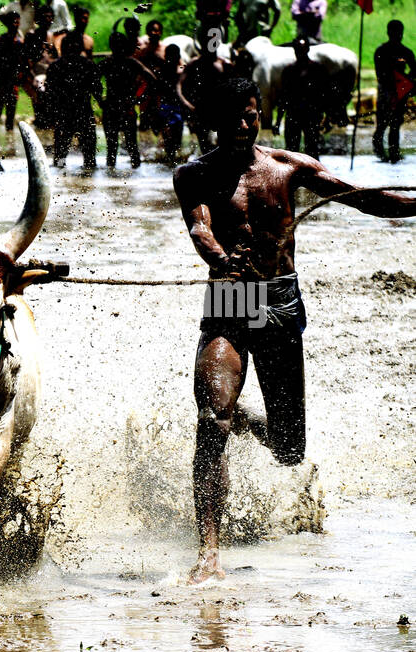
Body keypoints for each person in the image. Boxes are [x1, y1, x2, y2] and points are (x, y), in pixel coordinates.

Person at [173, 75, 416, 583]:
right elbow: (200, 226)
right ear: (212, 121)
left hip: (280, 300)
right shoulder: (193, 173)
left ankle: (244, 420)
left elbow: (364, 196)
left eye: (251, 113)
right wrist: (219, 260)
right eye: (233, 116)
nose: (243, 123)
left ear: (261, 114)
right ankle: (209, 554)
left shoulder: (286, 166)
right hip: (231, 295)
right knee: (211, 418)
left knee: (288, 448)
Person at [100, 31, 153, 168]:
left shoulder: (122, 63)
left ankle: (112, 179)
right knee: (128, 146)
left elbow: (91, 82)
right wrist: (139, 98)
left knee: (118, 147)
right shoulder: (127, 63)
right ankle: (135, 179)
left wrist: (100, 100)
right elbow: (151, 79)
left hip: (120, 108)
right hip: (121, 108)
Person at [47, 39, 99, 169]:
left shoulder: (55, 66)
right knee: (90, 161)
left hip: (64, 115)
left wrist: (51, 114)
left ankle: (59, 186)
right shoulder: (88, 65)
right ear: (80, 49)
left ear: (63, 49)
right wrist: (102, 104)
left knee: (59, 161)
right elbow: (97, 89)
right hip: (84, 114)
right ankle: (89, 182)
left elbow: (50, 93)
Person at [373, 19, 415, 164]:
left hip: (400, 91)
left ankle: (394, 154)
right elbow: (380, 74)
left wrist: (406, 83)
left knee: (395, 125)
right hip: (385, 91)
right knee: (381, 125)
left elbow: (414, 72)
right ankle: (380, 154)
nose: (397, 35)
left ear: (402, 34)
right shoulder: (381, 51)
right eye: (395, 32)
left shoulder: (407, 53)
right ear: (388, 33)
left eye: (399, 32)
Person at [277, 36, 326, 158]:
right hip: (293, 116)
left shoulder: (317, 69)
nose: (299, 52)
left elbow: (324, 95)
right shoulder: (289, 71)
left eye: (302, 49)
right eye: (297, 49)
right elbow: (283, 97)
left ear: (308, 50)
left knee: (313, 151)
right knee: (291, 154)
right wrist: (278, 121)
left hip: (311, 116)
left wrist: (326, 117)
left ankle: (315, 176)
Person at [179, 42, 227, 150]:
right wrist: (187, 104)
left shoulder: (224, 64)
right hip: (199, 111)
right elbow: (179, 85)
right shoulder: (194, 63)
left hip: (219, 110)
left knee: (217, 143)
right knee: (204, 145)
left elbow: (234, 87)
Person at [0, 10, 24, 132]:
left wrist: (19, 78)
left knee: (11, 115)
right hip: (0, 81)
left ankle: (10, 143)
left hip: (13, 82)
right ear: (8, 24)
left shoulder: (19, 43)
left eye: (18, 22)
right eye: (14, 22)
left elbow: (22, 64)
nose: (16, 25)